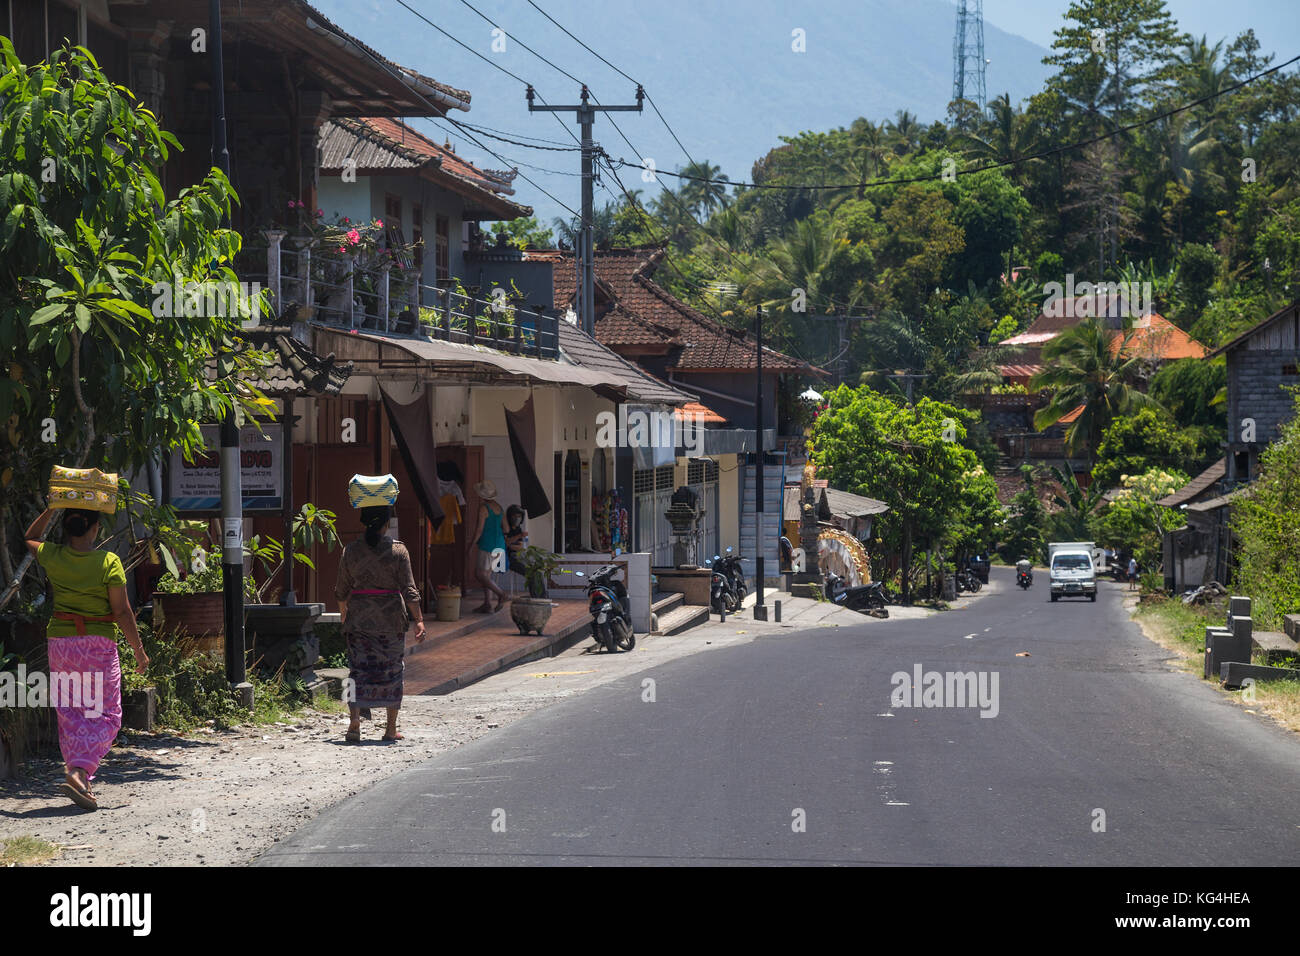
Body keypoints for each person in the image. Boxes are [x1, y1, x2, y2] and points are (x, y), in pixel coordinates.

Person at [26, 502, 148, 812]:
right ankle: (79, 771)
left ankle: (80, 778)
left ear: (65, 528)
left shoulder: (53, 555)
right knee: (106, 715)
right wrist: (138, 650)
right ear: (95, 528)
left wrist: (52, 508)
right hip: (97, 645)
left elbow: (30, 536)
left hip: (61, 644)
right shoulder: (108, 561)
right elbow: (121, 611)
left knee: (72, 712)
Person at [336, 483, 425, 743]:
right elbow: (409, 591)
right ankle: (389, 729)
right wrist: (418, 619)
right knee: (392, 670)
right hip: (391, 622)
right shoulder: (398, 550)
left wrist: (345, 616)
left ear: (364, 521)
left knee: (357, 671)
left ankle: (354, 724)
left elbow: (341, 591)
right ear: (387, 523)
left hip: (359, 621)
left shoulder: (350, 550)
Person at [467, 479, 507, 613]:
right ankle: (487, 604)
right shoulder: (499, 508)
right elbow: (506, 528)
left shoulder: (484, 508)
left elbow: (479, 530)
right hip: (499, 545)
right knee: (487, 575)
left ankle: (501, 594)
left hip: (487, 545)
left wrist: (471, 545)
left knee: (479, 574)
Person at [504, 504, 528, 577]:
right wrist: (519, 536)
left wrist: (512, 545)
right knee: (529, 572)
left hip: (518, 556)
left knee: (536, 570)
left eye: (519, 516)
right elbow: (505, 543)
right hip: (506, 558)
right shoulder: (506, 528)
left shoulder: (518, 528)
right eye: (514, 516)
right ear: (509, 517)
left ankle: (538, 588)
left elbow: (520, 546)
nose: (517, 518)